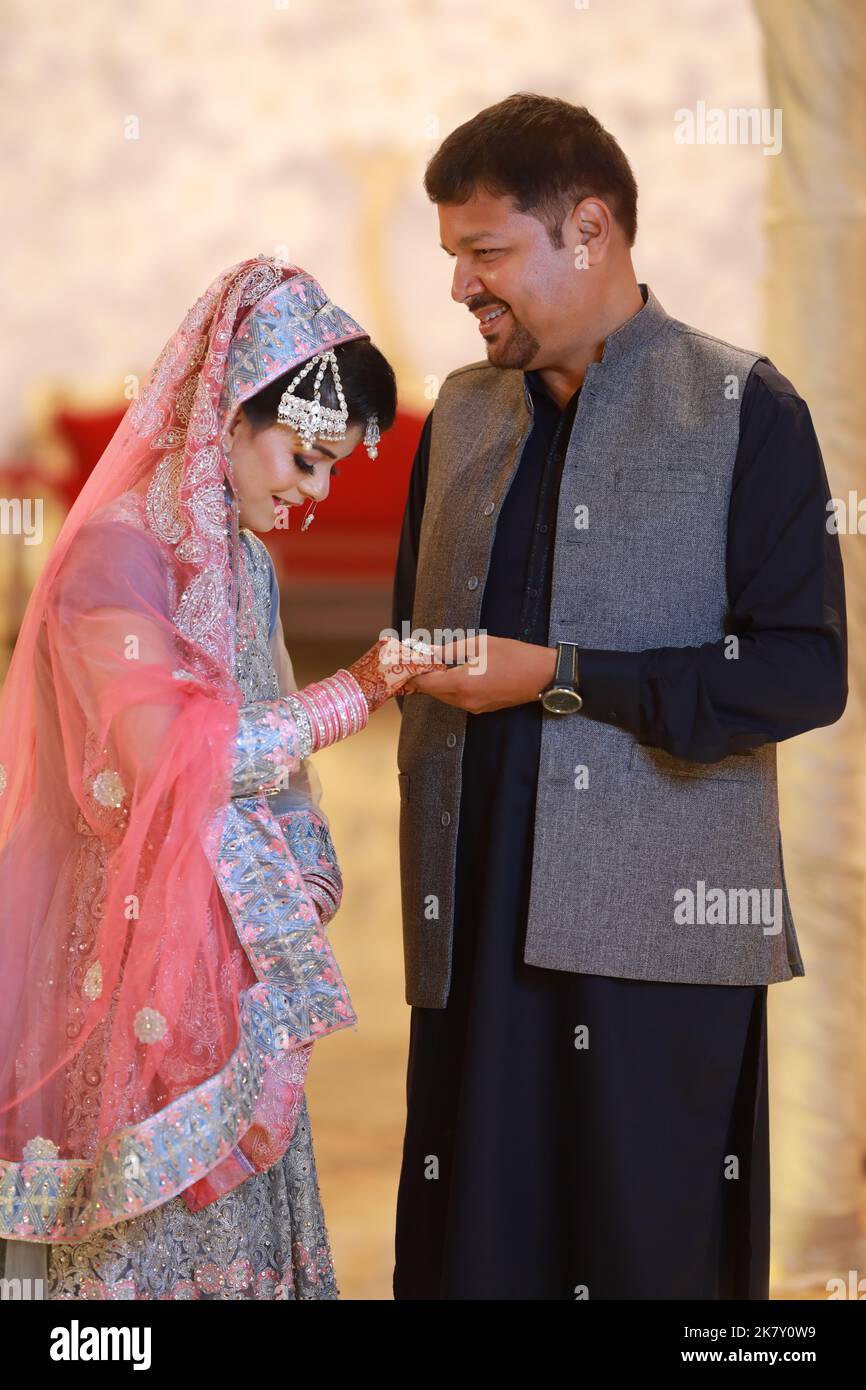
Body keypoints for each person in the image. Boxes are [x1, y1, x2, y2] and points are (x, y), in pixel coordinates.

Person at [391, 94, 848, 1300]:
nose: (460, 289)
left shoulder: (745, 409)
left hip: (659, 942)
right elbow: (415, 635)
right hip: (472, 926)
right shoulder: (458, 414)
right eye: (452, 258)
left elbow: (804, 669)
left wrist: (561, 676)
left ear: (587, 229)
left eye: (484, 253)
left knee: (649, 1261)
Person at [0, 254, 442, 1300]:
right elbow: (171, 761)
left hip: (229, 962)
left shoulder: (243, 561)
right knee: (141, 1243)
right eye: (301, 456)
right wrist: (363, 688)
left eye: (334, 466)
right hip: (124, 961)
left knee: (247, 1228)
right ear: (226, 420)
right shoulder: (116, 557)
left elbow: (273, 760)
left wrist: (313, 874)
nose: (314, 491)